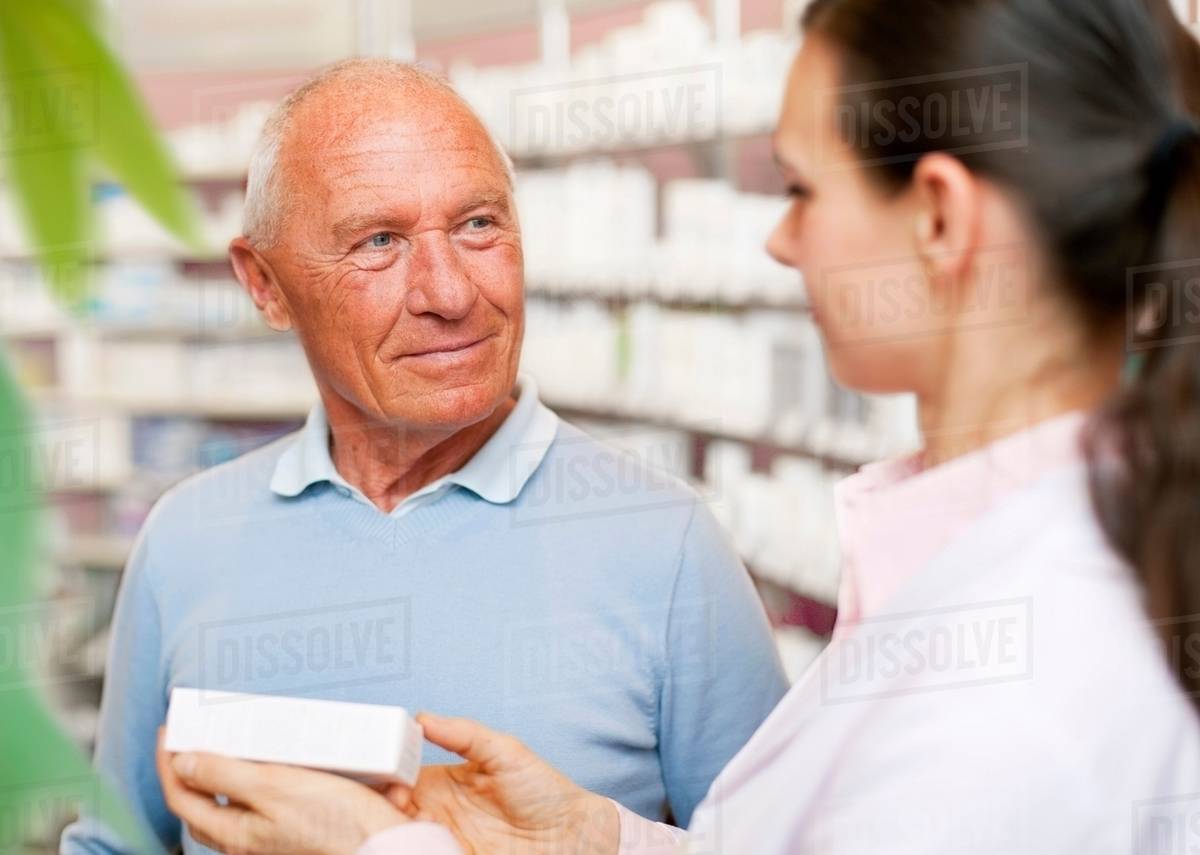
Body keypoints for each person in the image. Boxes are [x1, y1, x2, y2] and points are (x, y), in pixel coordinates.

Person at [155, 0, 1200, 852]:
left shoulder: (1021, 679)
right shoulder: (989, 569)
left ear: (938, 220)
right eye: (377, 242)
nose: (782, 241)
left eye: (799, 188)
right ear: (266, 282)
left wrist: (385, 851)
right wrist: (595, 841)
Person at [60, 60, 789, 854]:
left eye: (478, 223)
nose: (449, 292)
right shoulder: (184, 541)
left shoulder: (666, 544)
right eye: (379, 242)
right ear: (264, 284)